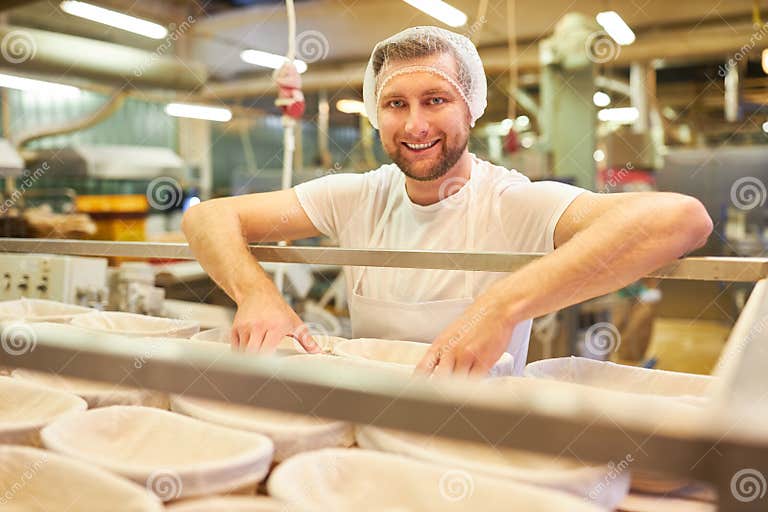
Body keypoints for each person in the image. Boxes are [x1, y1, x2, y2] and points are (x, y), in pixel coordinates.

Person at [182, 26, 712, 377]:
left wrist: (501, 306)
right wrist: (255, 294)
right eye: (396, 104)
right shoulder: (358, 196)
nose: (414, 125)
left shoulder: (510, 202)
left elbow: (681, 219)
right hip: (377, 430)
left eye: (435, 100)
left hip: (481, 441)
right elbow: (209, 217)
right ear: (376, 113)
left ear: (471, 109)